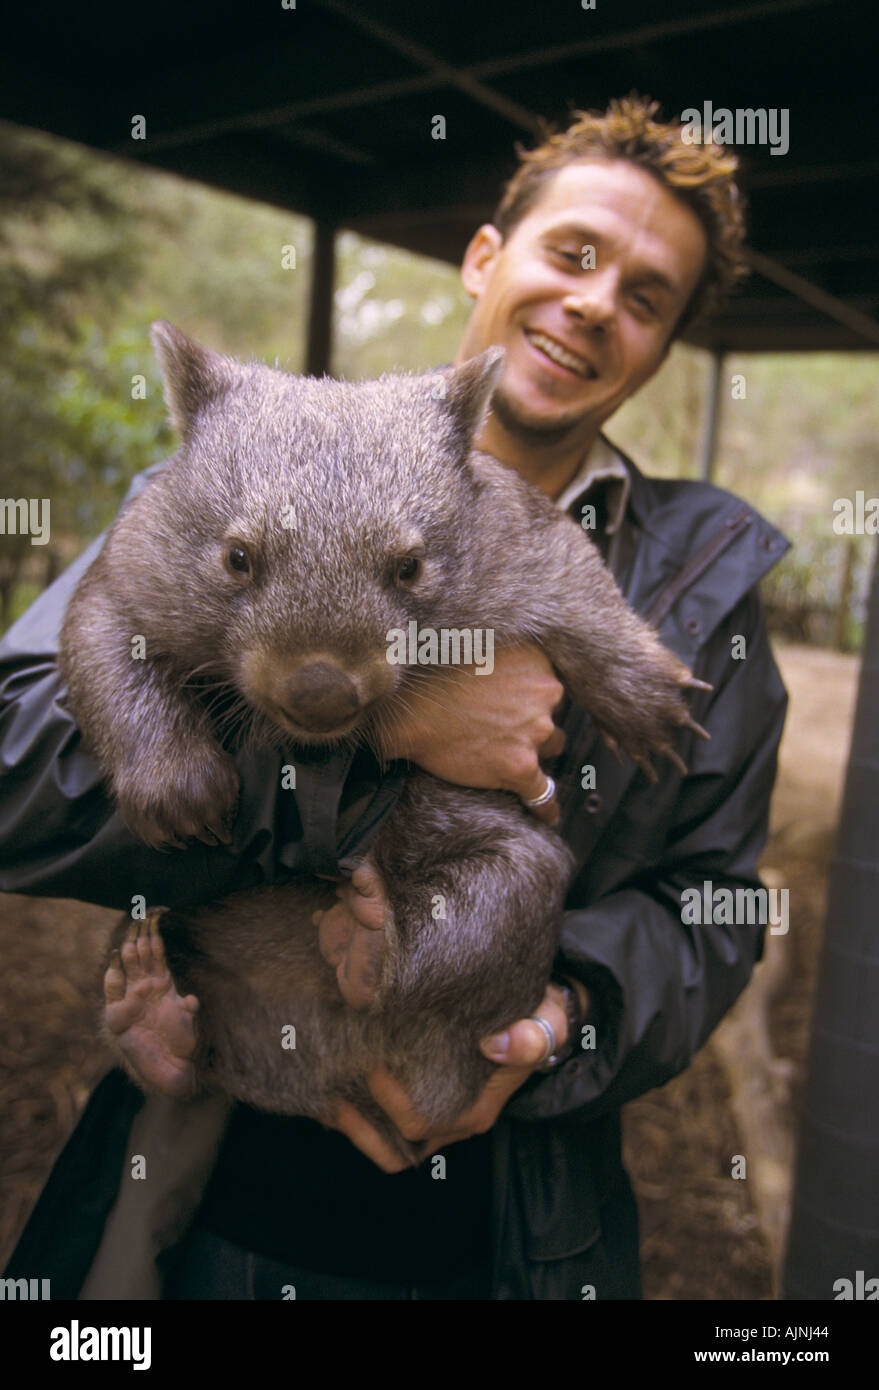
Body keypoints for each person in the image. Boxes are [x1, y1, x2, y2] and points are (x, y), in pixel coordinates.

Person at [2, 96, 789, 1300]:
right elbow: (16, 765)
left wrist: (559, 1025)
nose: (593, 301)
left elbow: (718, 904)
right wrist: (383, 738)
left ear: (665, 344)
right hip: (220, 1191)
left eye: (644, 295)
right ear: (486, 256)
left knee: (515, 878)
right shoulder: (239, 449)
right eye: (572, 252)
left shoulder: (702, 580)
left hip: (508, 1229)